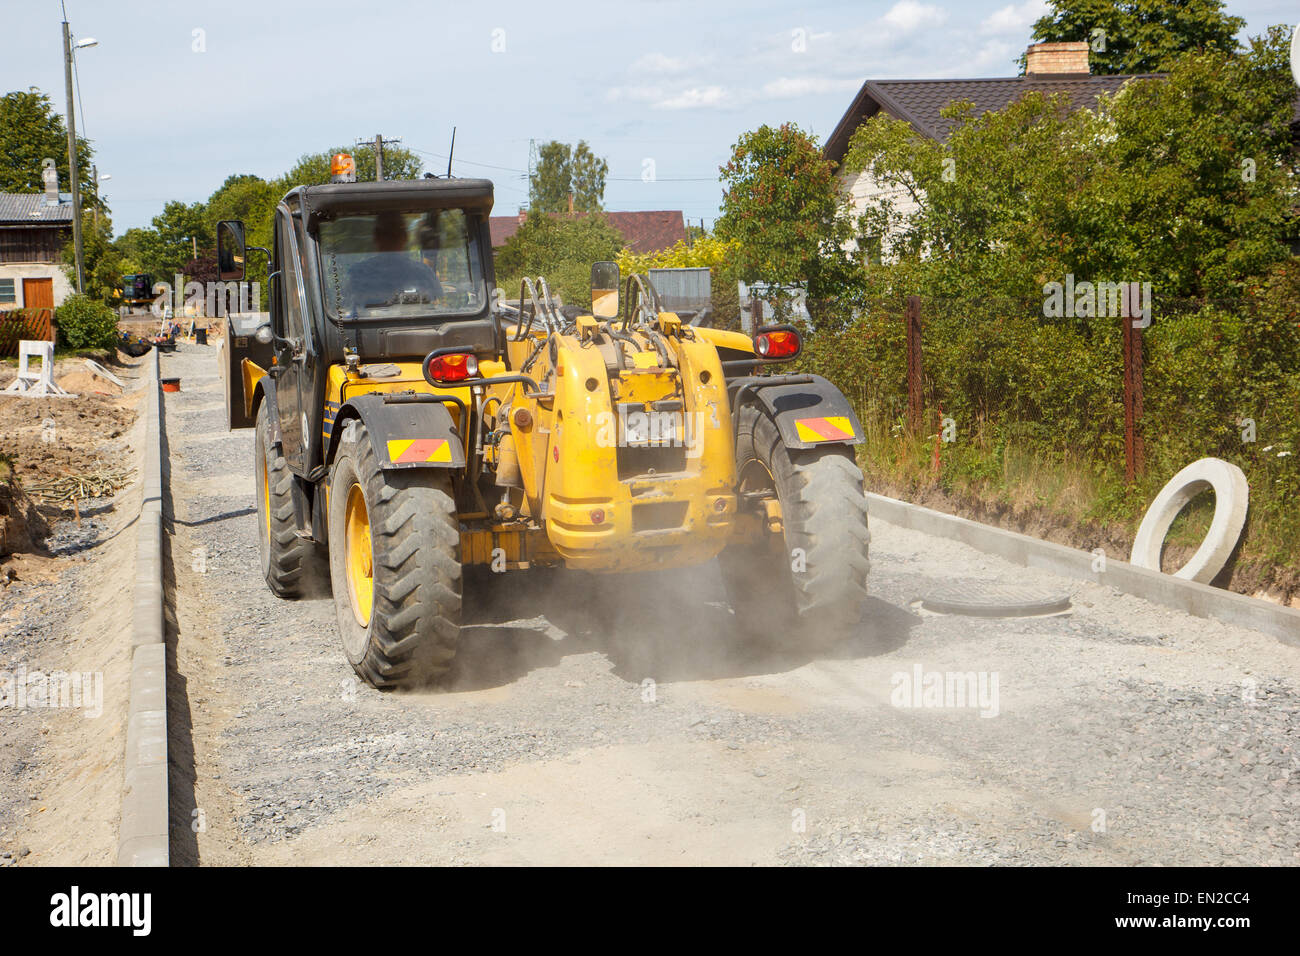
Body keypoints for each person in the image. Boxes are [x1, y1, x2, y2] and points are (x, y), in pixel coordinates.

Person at [345, 211, 442, 310]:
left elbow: (437, 309)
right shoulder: (359, 274)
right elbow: (346, 312)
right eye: (386, 233)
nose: (391, 237)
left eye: (396, 232)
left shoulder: (359, 274)